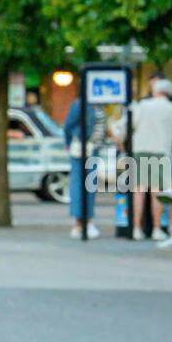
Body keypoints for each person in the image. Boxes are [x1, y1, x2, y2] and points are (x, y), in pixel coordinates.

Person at [114, 77, 172, 245]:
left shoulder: (142, 106)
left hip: (141, 149)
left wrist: (122, 142)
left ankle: (136, 228)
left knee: (139, 190)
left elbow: (123, 125)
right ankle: (157, 229)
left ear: (154, 90)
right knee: (157, 192)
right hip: (161, 150)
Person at [63, 96, 101, 238]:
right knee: (79, 185)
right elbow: (68, 125)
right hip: (81, 147)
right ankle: (80, 222)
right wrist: (68, 141)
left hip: (94, 148)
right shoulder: (79, 104)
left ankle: (88, 220)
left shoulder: (99, 104)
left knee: (90, 185)